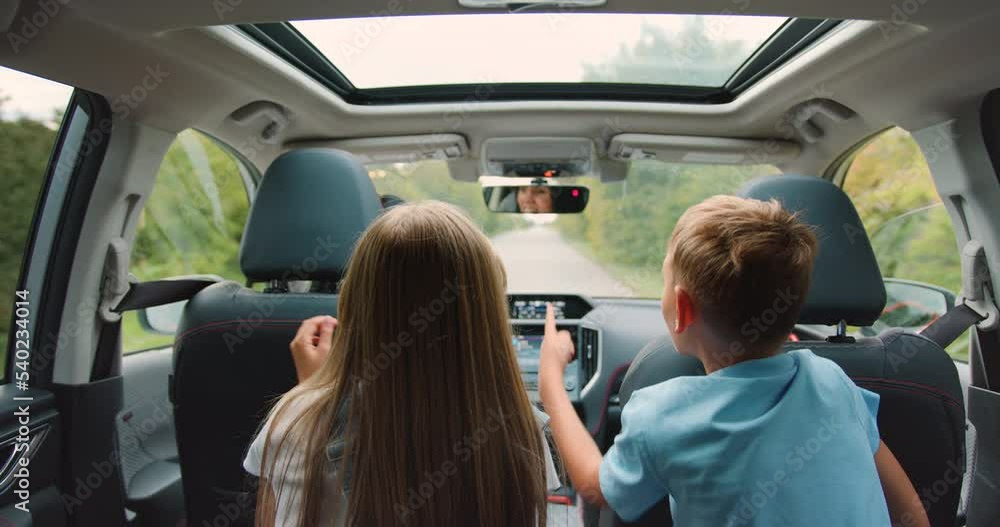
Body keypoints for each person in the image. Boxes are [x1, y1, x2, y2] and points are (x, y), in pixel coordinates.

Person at [539, 195, 930, 526]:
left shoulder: (663, 414)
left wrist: (551, 382)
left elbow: (594, 487)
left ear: (682, 308)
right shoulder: (833, 382)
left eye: (665, 283)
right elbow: (912, 514)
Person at [244, 201, 559, 527]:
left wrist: (315, 398)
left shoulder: (293, 422)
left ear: (354, 302)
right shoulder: (518, 431)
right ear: (485, 321)